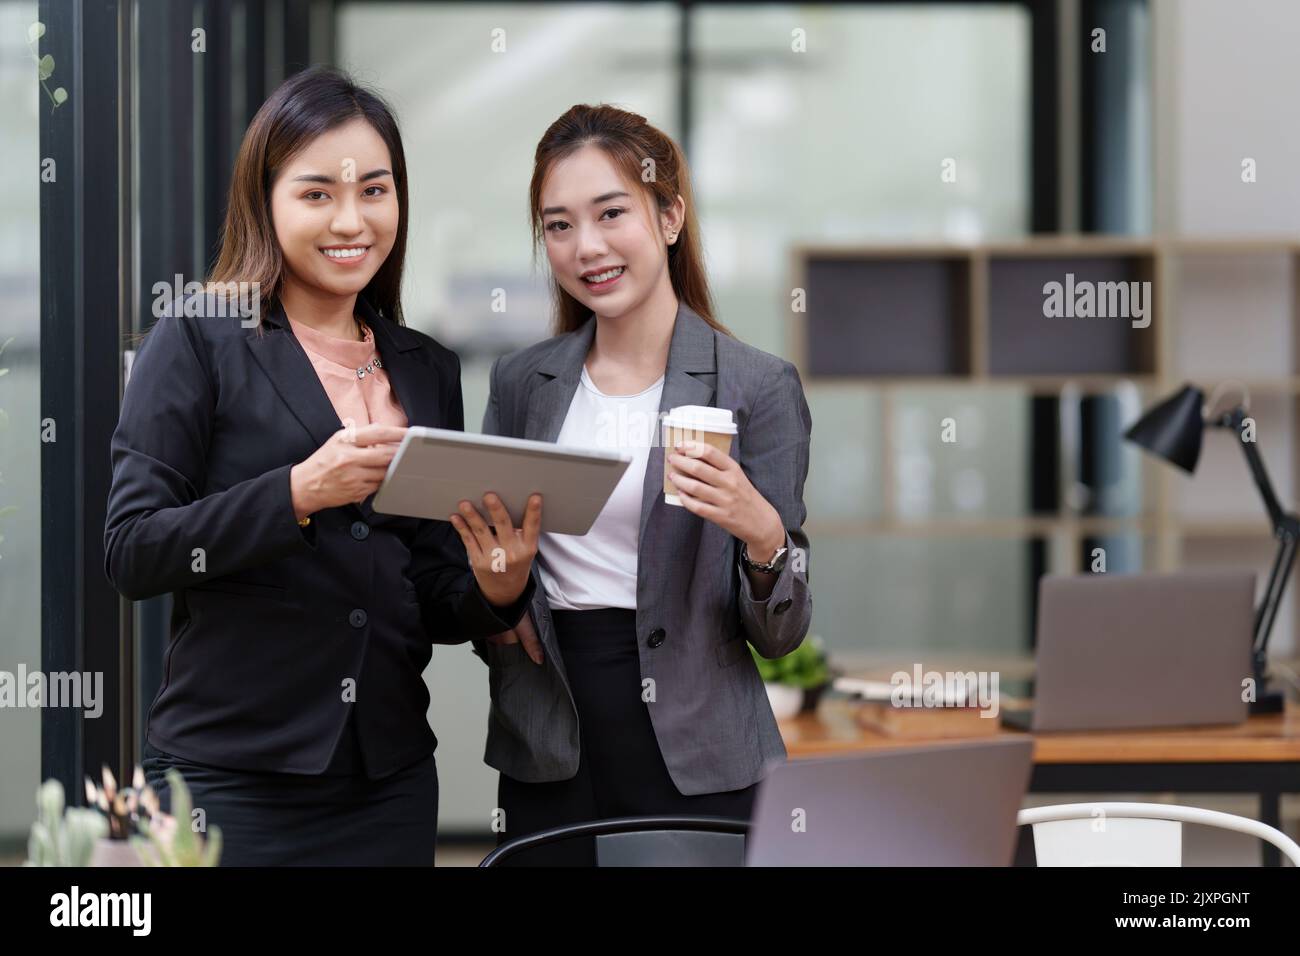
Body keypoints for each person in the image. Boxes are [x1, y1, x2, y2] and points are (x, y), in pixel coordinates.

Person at [104, 67, 539, 866]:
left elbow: (431, 589)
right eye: (316, 195)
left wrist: (496, 588)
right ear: (265, 201)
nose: (352, 220)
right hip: (231, 775)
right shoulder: (198, 339)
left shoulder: (425, 366)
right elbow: (132, 550)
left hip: (388, 777)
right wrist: (299, 491)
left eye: (375, 191)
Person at [456, 104, 812, 865]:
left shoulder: (755, 386)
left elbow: (781, 635)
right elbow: (492, 583)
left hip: (700, 750)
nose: (587, 246)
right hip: (550, 737)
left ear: (670, 215)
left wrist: (763, 533)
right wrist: (499, 594)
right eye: (558, 225)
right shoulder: (524, 383)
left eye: (610, 213)